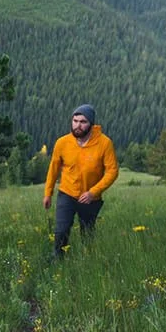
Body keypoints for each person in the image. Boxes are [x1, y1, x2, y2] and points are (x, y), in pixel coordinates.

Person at [43, 104, 118, 258]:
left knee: (87, 233)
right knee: (61, 230)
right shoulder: (62, 142)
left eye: (83, 122)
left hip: (90, 197)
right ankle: (58, 260)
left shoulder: (104, 143)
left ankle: (88, 262)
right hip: (67, 193)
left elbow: (112, 171)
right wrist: (48, 193)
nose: (78, 125)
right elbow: (54, 169)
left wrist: (93, 192)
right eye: (75, 120)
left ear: (91, 123)